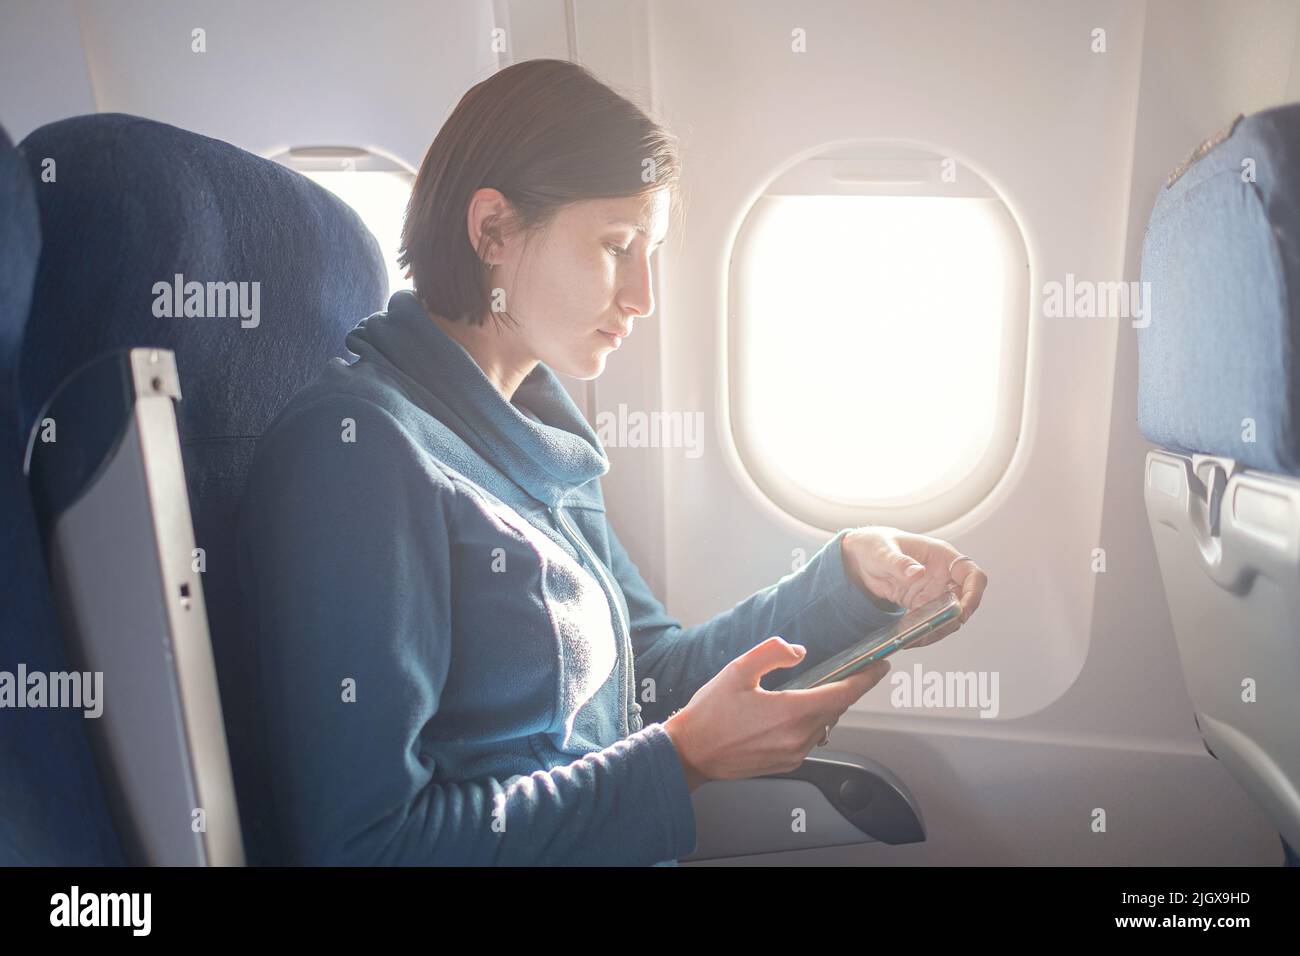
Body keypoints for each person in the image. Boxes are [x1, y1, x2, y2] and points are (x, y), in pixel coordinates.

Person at [235, 57, 988, 866]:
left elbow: (650, 681)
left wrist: (846, 581)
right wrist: (683, 761)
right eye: (617, 247)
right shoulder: (360, 456)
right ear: (492, 230)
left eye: (650, 252)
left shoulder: (539, 442)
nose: (642, 296)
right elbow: (368, 848)